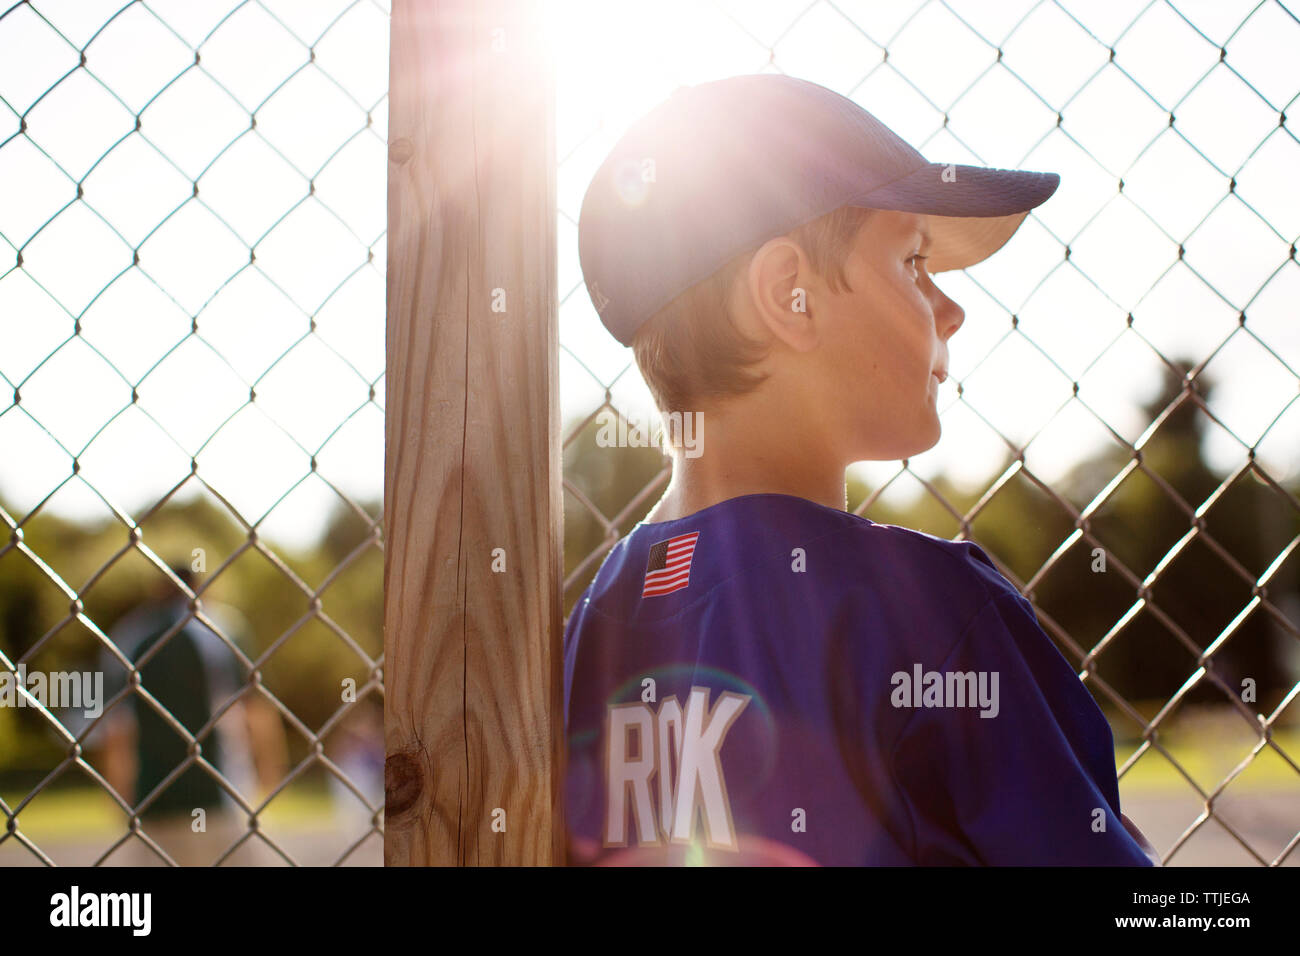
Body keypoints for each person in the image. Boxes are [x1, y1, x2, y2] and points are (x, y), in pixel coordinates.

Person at [564, 74, 1159, 866]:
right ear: (790, 294)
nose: (953, 309)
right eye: (914, 261)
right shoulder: (932, 613)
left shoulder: (591, 628)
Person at [98, 563, 287, 865]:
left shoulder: (129, 636)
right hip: (223, 795)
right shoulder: (221, 626)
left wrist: (121, 796)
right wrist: (270, 775)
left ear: (158, 589)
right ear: (200, 587)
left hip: (154, 800)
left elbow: (116, 729)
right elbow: (258, 712)